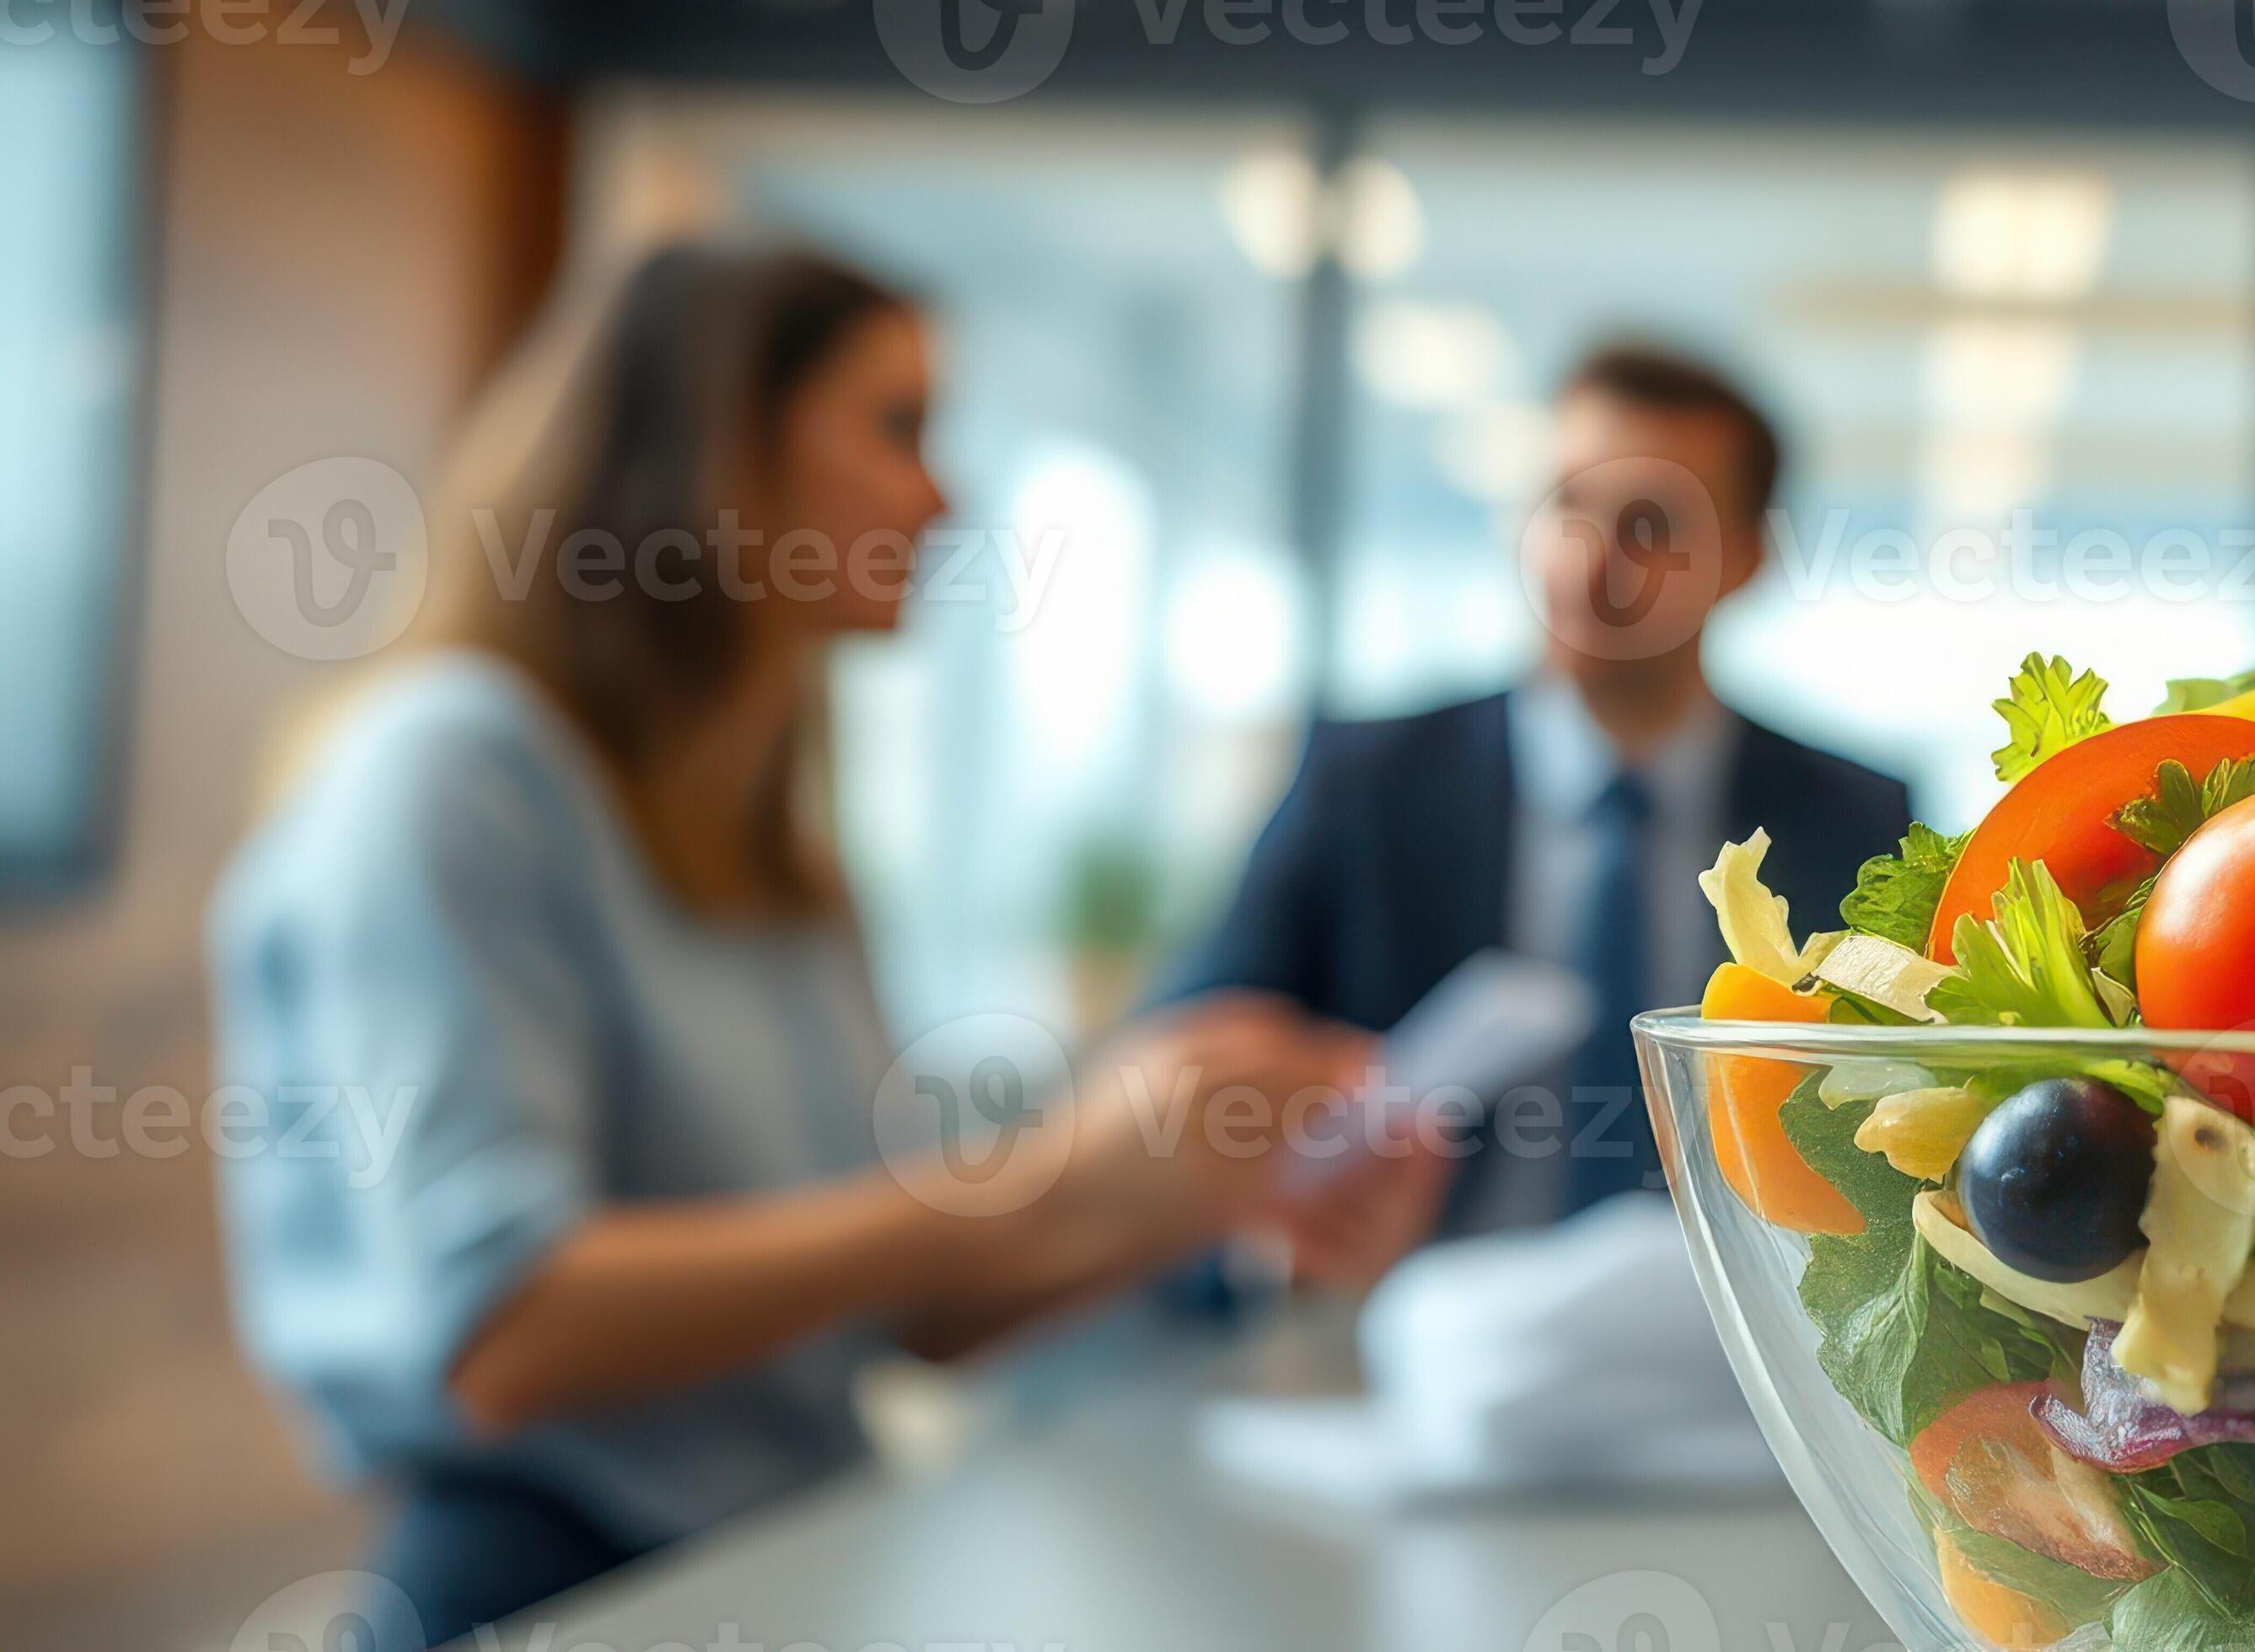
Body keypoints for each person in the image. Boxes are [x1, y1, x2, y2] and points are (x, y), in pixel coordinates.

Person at [211, 244, 1393, 1642]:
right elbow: (500, 1329)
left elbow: (908, 1312)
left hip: (770, 1568)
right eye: (897, 428)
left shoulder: (773, 844)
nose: (945, 498)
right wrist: (1038, 1179)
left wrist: (1190, 1188)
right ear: (717, 449)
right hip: (549, 1580)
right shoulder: (455, 771)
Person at [1152, 341, 1912, 1240]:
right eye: (1566, 504)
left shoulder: (1859, 823)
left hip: (1727, 1316)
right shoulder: (1367, 784)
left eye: (1649, 524)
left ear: (1745, 559)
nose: (1590, 561)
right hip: (1407, 1301)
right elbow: (1175, 1078)